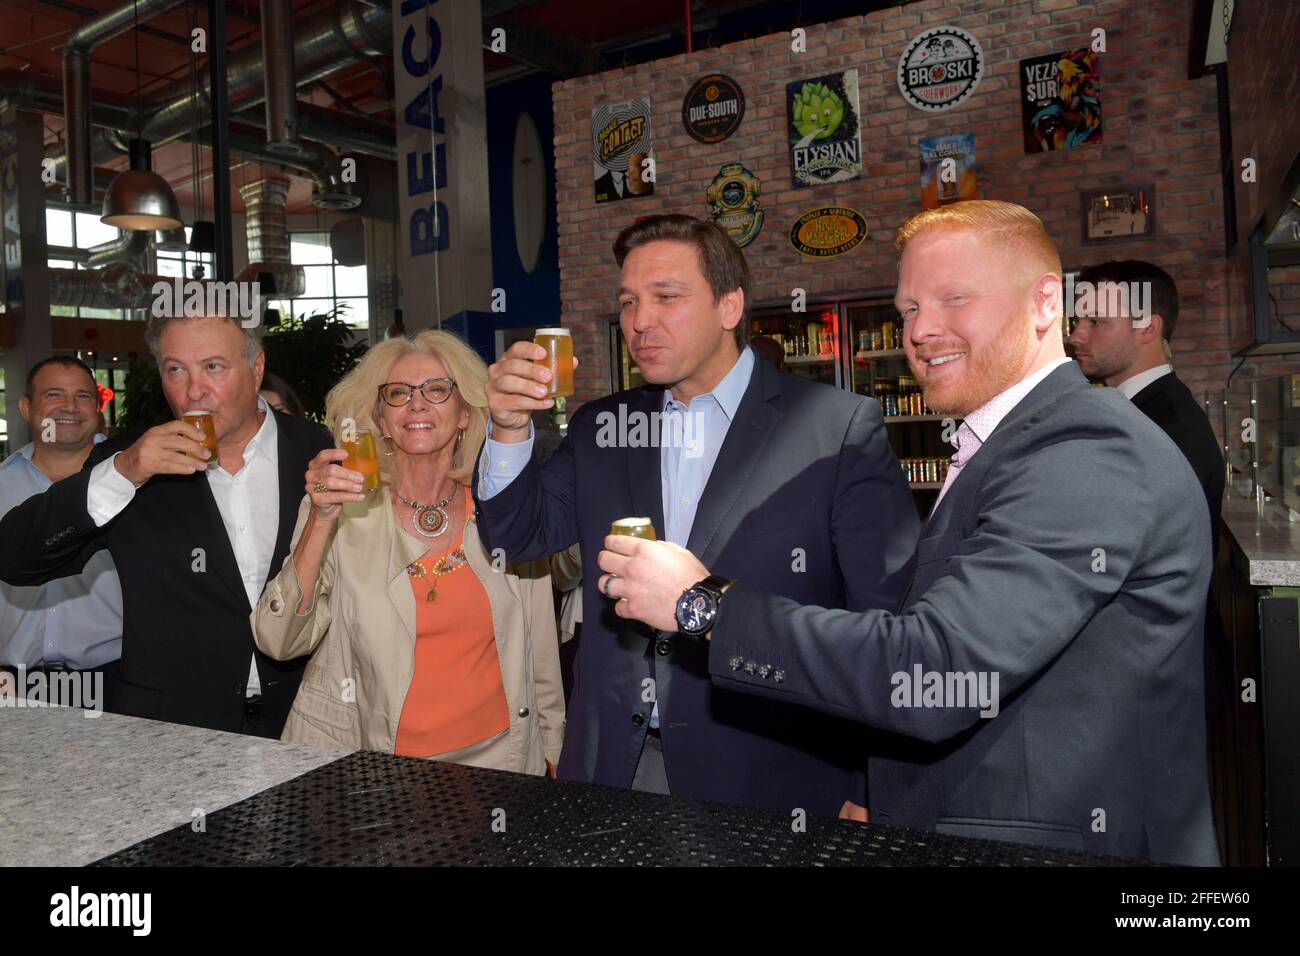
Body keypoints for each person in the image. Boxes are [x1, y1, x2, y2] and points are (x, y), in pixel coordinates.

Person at [597, 200, 1218, 865]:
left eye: (954, 299)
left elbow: (936, 667)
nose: (922, 331)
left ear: (1044, 303)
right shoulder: (1009, 440)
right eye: (910, 310)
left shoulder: (1087, 446)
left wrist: (704, 603)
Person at [477, 214, 918, 817]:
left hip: (770, 774)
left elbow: (884, 620)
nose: (639, 321)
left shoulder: (835, 428)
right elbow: (515, 534)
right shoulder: (602, 426)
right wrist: (507, 427)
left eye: (667, 297)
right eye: (629, 301)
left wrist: (870, 786)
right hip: (613, 768)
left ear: (729, 306)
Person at [0, 303, 332, 736]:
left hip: (304, 720)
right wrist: (124, 473)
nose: (194, 391)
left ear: (256, 368)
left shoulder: (319, 450)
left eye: (213, 366)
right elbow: (15, 558)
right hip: (172, 730)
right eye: (176, 370)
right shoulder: (130, 463)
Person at [252, 331, 563, 773]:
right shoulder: (339, 508)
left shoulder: (505, 504)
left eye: (437, 389)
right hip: (371, 767)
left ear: (464, 413)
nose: (416, 404)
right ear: (380, 418)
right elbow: (278, 641)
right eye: (398, 393)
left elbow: (539, 642)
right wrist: (321, 518)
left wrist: (552, 744)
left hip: (502, 762)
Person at [1066, 260, 1224, 543]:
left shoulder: (1166, 427)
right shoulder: (1141, 411)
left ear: (1148, 328)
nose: (1075, 336)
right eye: (1077, 322)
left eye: (1096, 321)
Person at [0, 357, 122, 696]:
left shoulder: (133, 484)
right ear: (26, 407)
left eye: (83, 396)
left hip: (114, 681)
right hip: (13, 685)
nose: (69, 406)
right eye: (54, 394)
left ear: (97, 410)